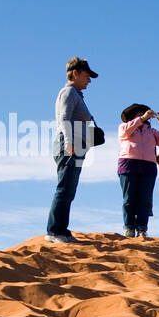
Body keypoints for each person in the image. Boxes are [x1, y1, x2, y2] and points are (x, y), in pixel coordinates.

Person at [46, 57, 100, 243]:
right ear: (75, 73)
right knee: (64, 188)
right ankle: (54, 232)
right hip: (69, 145)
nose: (89, 80)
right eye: (87, 75)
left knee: (69, 189)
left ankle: (61, 229)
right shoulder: (68, 92)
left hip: (76, 146)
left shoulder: (76, 94)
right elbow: (64, 118)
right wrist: (69, 143)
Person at [117, 104, 159, 238]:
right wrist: (141, 119)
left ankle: (142, 228)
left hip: (148, 165)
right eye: (138, 113)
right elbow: (125, 133)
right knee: (129, 198)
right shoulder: (124, 127)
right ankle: (129, 227)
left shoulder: (151, 131)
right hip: (128, 164)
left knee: (145, 199)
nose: (141, 115)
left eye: (143, 113)